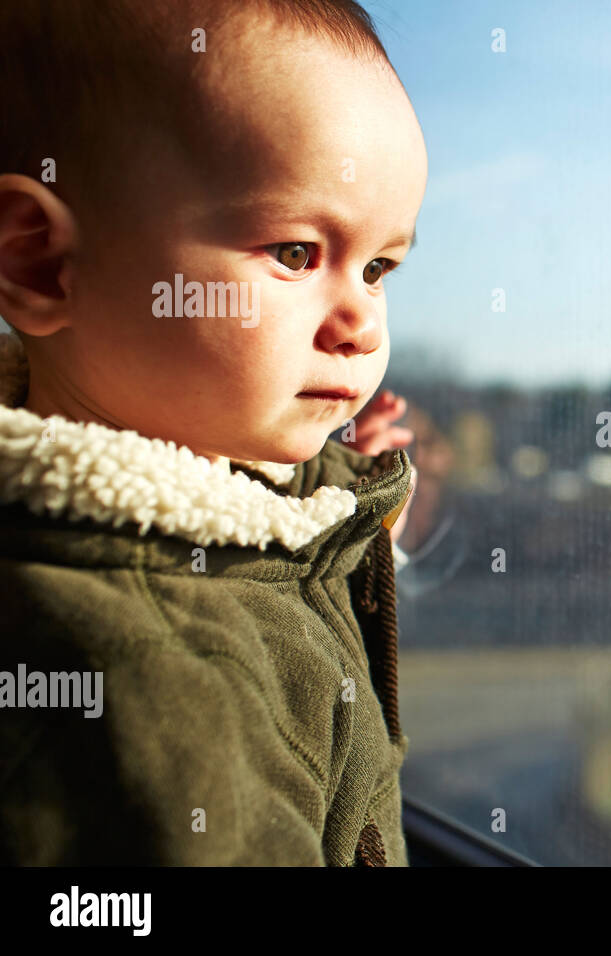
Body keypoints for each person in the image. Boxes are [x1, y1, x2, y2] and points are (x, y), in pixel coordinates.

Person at [0, 0, 427, 865]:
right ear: (43, 264)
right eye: (298, 253)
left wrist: (354, 502)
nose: (362, 324)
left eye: (379, 267)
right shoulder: (135, 672)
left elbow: (292, 564)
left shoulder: (225, 479)